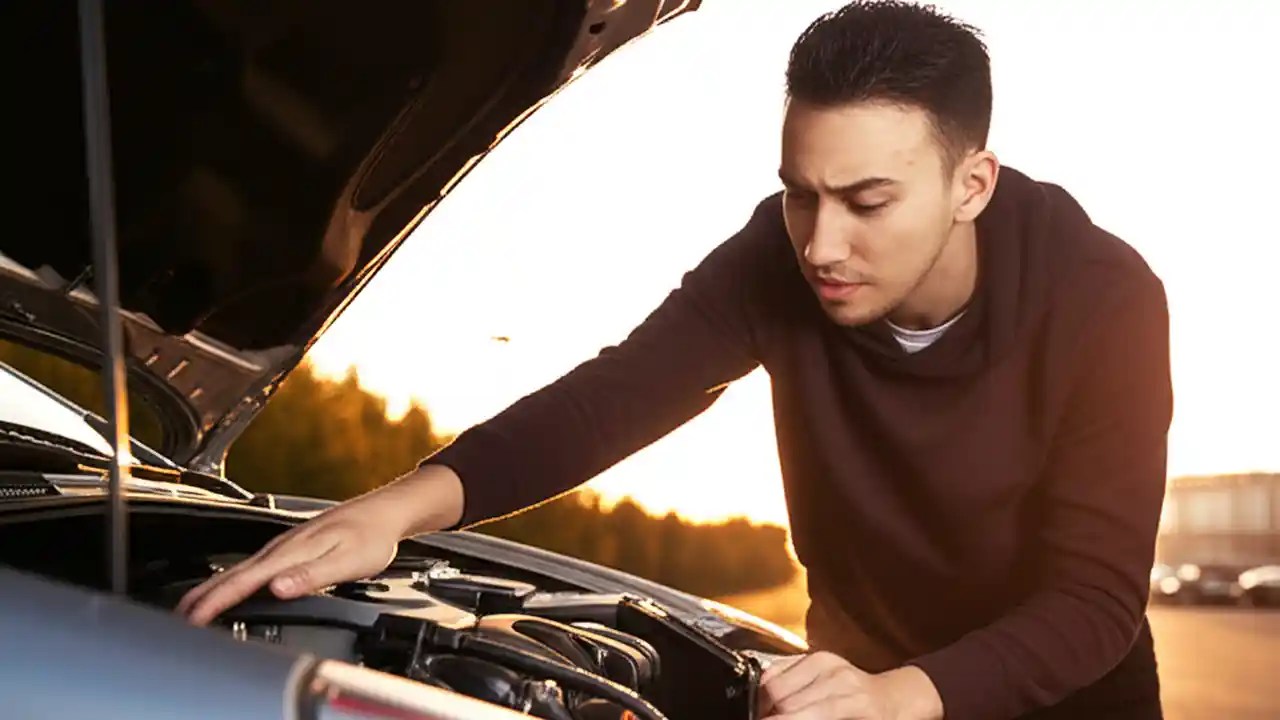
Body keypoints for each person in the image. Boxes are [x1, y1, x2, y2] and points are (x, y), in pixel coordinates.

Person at [179, 2, 1173, 718]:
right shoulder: (769, 260)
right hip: (847, 679)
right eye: (799, 192)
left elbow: (1089, 600)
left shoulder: (1101, 298)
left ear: (970, 183)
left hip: (1063, 698)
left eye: (866, 202)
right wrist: (393, 508)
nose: (820, 243)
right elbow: (614, 397)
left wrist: (906, 698)